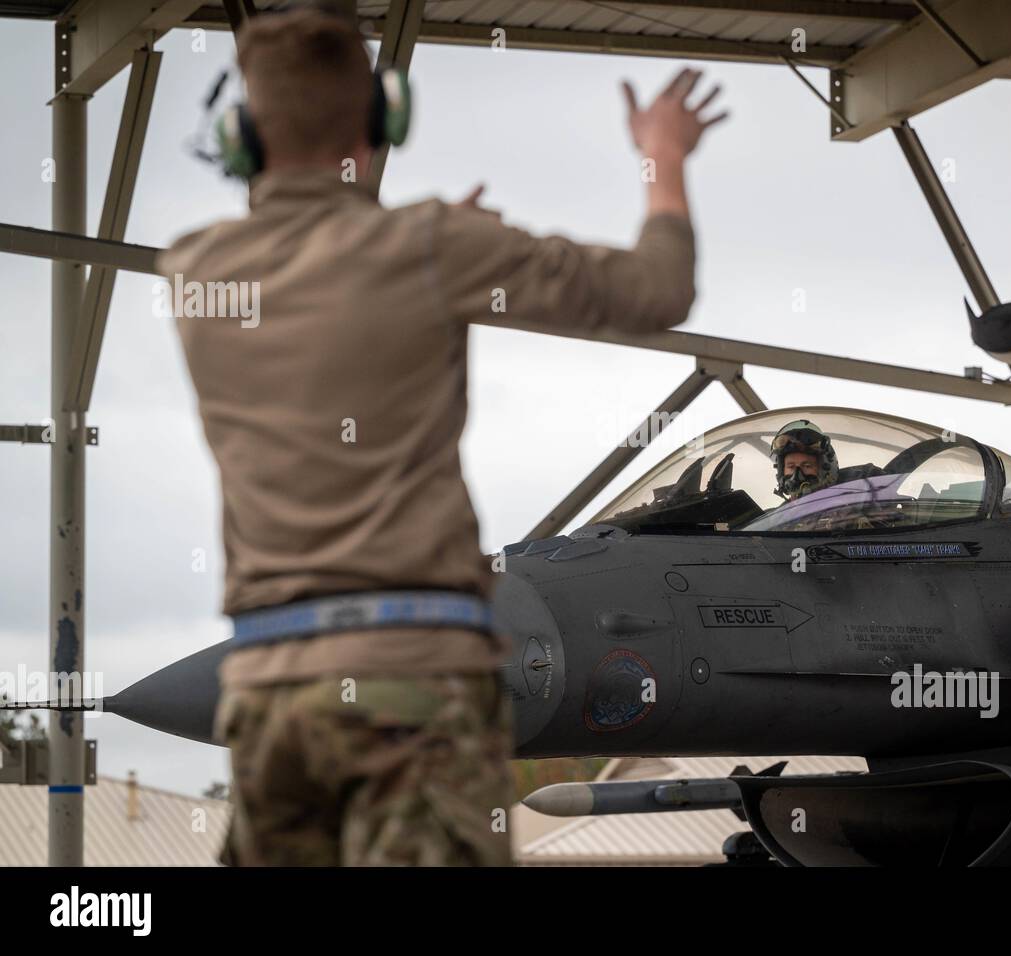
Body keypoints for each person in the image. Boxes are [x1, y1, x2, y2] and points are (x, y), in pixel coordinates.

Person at [158, 6, 726, 865]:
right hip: (413, 682)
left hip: (269, 690)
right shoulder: (433, 247)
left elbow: (327, 286)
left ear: (240, 137)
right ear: (386, 119)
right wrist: (665, 157)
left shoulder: (194, 268)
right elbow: (658, 290)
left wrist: (421, 260)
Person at [770, 420, 840, 501]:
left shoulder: (848, 506)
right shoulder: (780, 513)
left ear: (825, 471)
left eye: (807, 466)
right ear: (781, 471)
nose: (796, 476)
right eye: (791, 466)